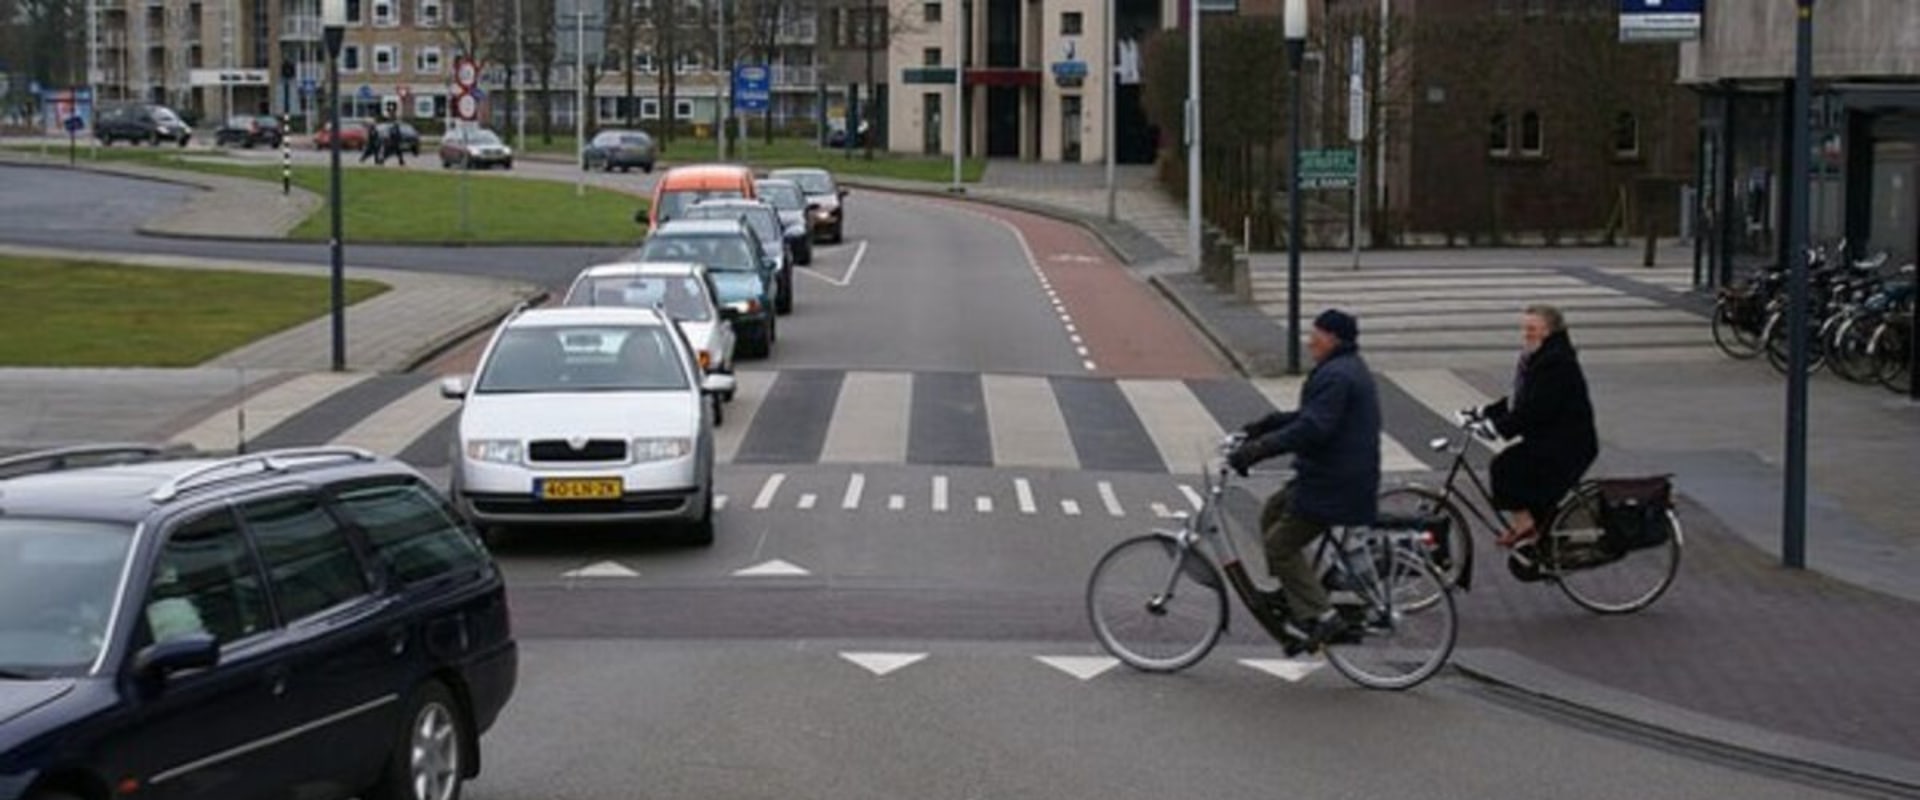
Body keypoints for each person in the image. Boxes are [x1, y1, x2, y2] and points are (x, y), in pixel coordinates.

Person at [1227, 309, 1381, 652]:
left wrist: (1257, 450)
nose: (1311, 340)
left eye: (1318, 334)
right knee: (1272, 511)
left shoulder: (1338, 376)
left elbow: (1314, 428)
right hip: (1330, 474)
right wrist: (1267, 424)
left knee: (1280, 545)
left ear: (1334, 339)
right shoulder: (1340, 369)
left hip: (1335, 482)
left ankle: (1322, 616)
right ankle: (1293, 595)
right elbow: (1311, 417)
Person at [1476, 304, 1598, 548]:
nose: (1526, 333)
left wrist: (1498, 429)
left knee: (1505, 467)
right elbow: (1519, 399)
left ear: (1548, 331)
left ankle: (1525, 527)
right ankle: (1541, 550)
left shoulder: (1555, 362)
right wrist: (1483, 413)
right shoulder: (1542, 356)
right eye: (1525, 328)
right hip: (1553, 440)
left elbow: (1534, 409)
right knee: (1533, 490)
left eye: (1532, 328)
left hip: (1568, 445)